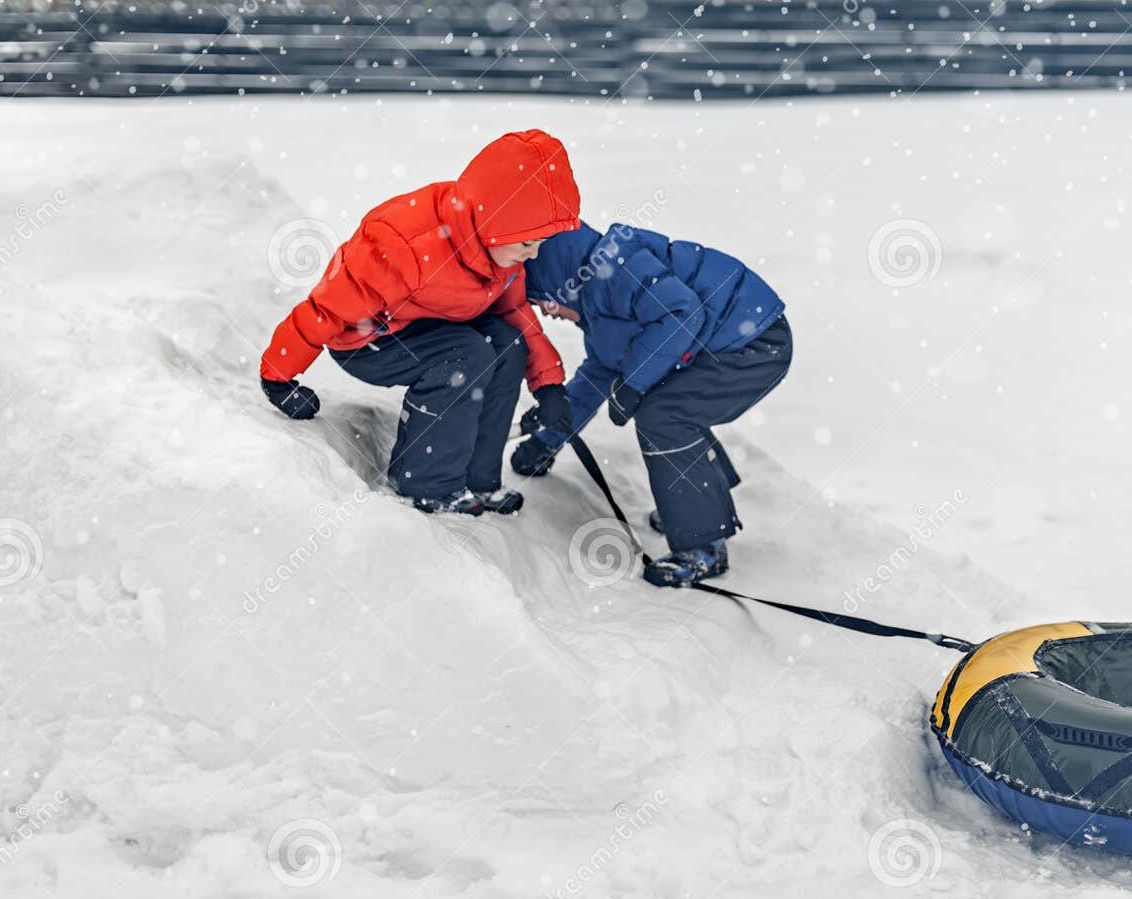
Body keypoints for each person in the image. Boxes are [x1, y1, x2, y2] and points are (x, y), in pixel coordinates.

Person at [258, 129, 580, 515]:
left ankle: (479, 478)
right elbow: (327, 308)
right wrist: (278, 375)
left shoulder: (502, 251)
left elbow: (513, 313)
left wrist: (547, 385)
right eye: (527, 243)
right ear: (492, 223)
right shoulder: (404, 244)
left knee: (507, 345)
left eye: (540, 245)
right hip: (366, 340)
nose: (532, 255)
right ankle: (426, 484)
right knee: (469, 355)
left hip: (424, 323)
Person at [513, 221, 792, 587]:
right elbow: (597, 375)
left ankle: (702, 546)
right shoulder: (598, 307)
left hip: (753, 343)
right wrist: (546, 440)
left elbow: (681, 313)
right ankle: (697, 496)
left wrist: (633, 382)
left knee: (664, 414)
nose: (546, 313)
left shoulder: (615, 267)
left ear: (560, 280)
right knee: (667, 404)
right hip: (734, 341)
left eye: (542, 300)